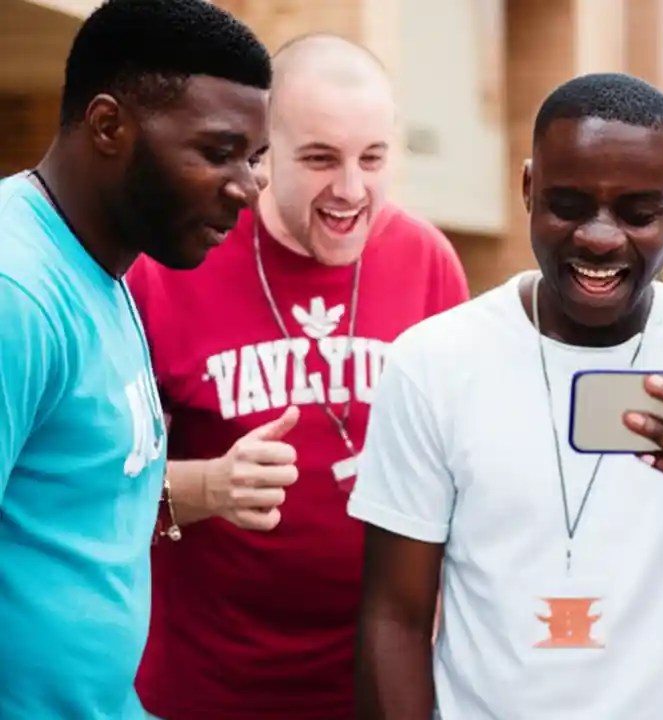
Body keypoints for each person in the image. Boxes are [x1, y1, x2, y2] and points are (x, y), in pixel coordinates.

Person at [347, 72, 663, 720]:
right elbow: (395, 616)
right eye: (569, 205)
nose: (600, 238)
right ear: (527, 188)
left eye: (638, 213)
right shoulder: (434, 361)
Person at [125, 34, 469, 720]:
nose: (350, 189)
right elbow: (89, 484)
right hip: (204, 693)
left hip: (384, 687)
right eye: (319, 159)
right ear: (263, 154)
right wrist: (206, 486)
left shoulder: (428, 262)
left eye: (372, 159)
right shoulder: (168, 267)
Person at [0, 1, 271, 718]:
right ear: (109, 126)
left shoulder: (105, 272)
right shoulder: (15, 289)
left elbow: (73, 500)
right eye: (218, 152)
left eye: (256, 157)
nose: (248, 188)